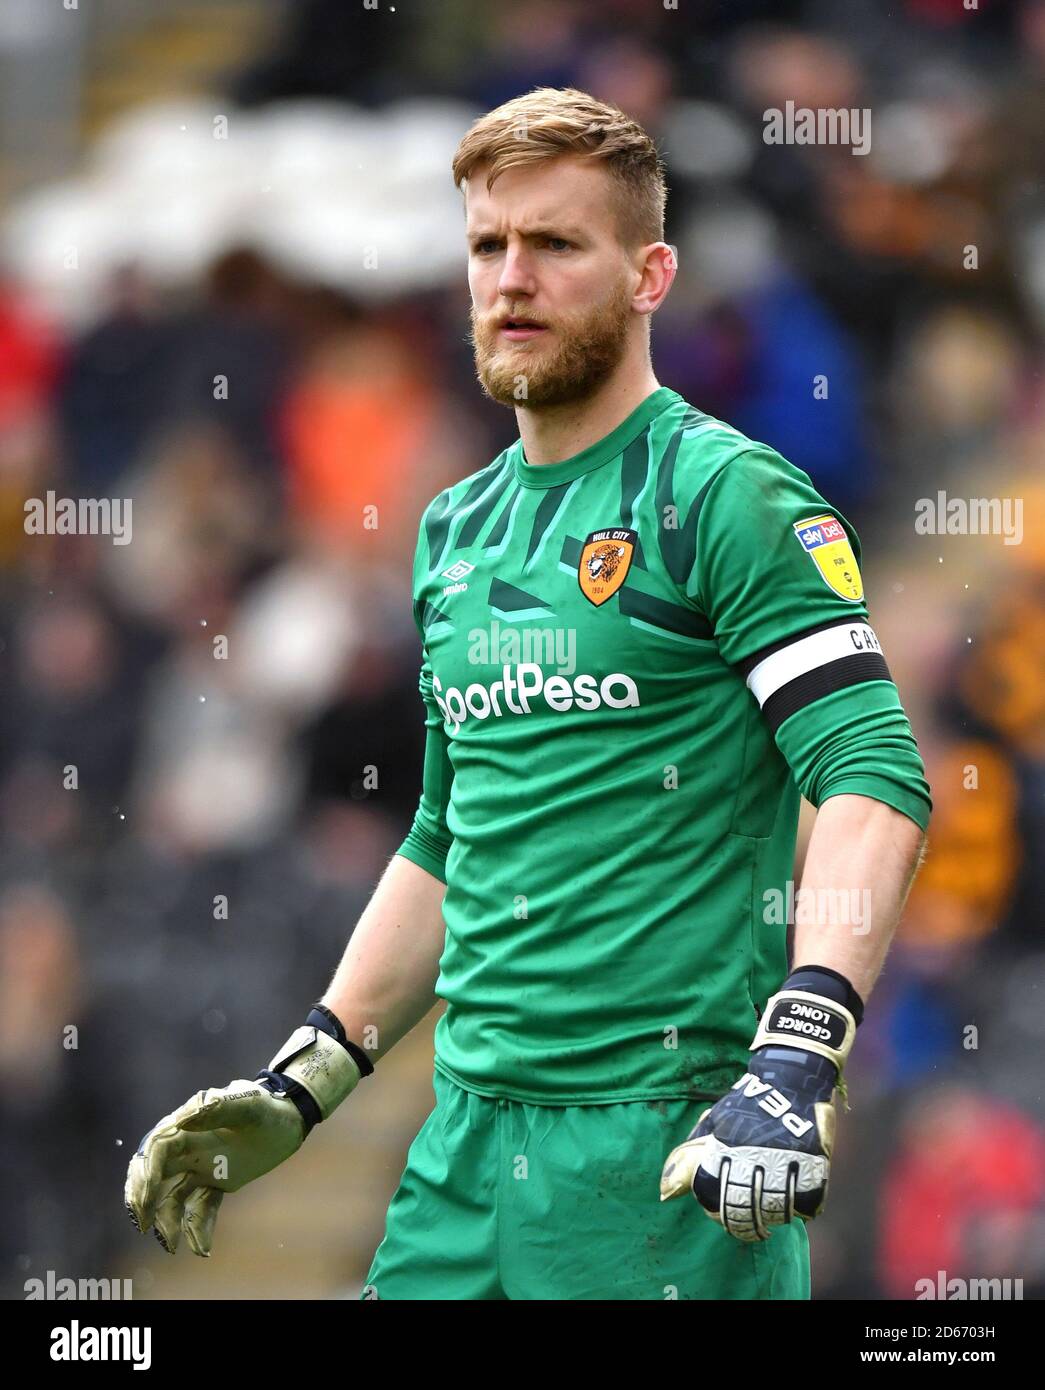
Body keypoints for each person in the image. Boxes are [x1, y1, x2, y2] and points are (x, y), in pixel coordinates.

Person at [125, 87, 931, 1300]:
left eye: (557, 243)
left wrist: (797, 1057)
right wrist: (308, 1074)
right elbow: (449, 840)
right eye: (488, 246)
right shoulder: (455, 530)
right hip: (461, 1149)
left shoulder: (724, 496)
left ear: (650, 274)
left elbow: (873, 773)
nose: (511, 278)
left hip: (664, 1158)